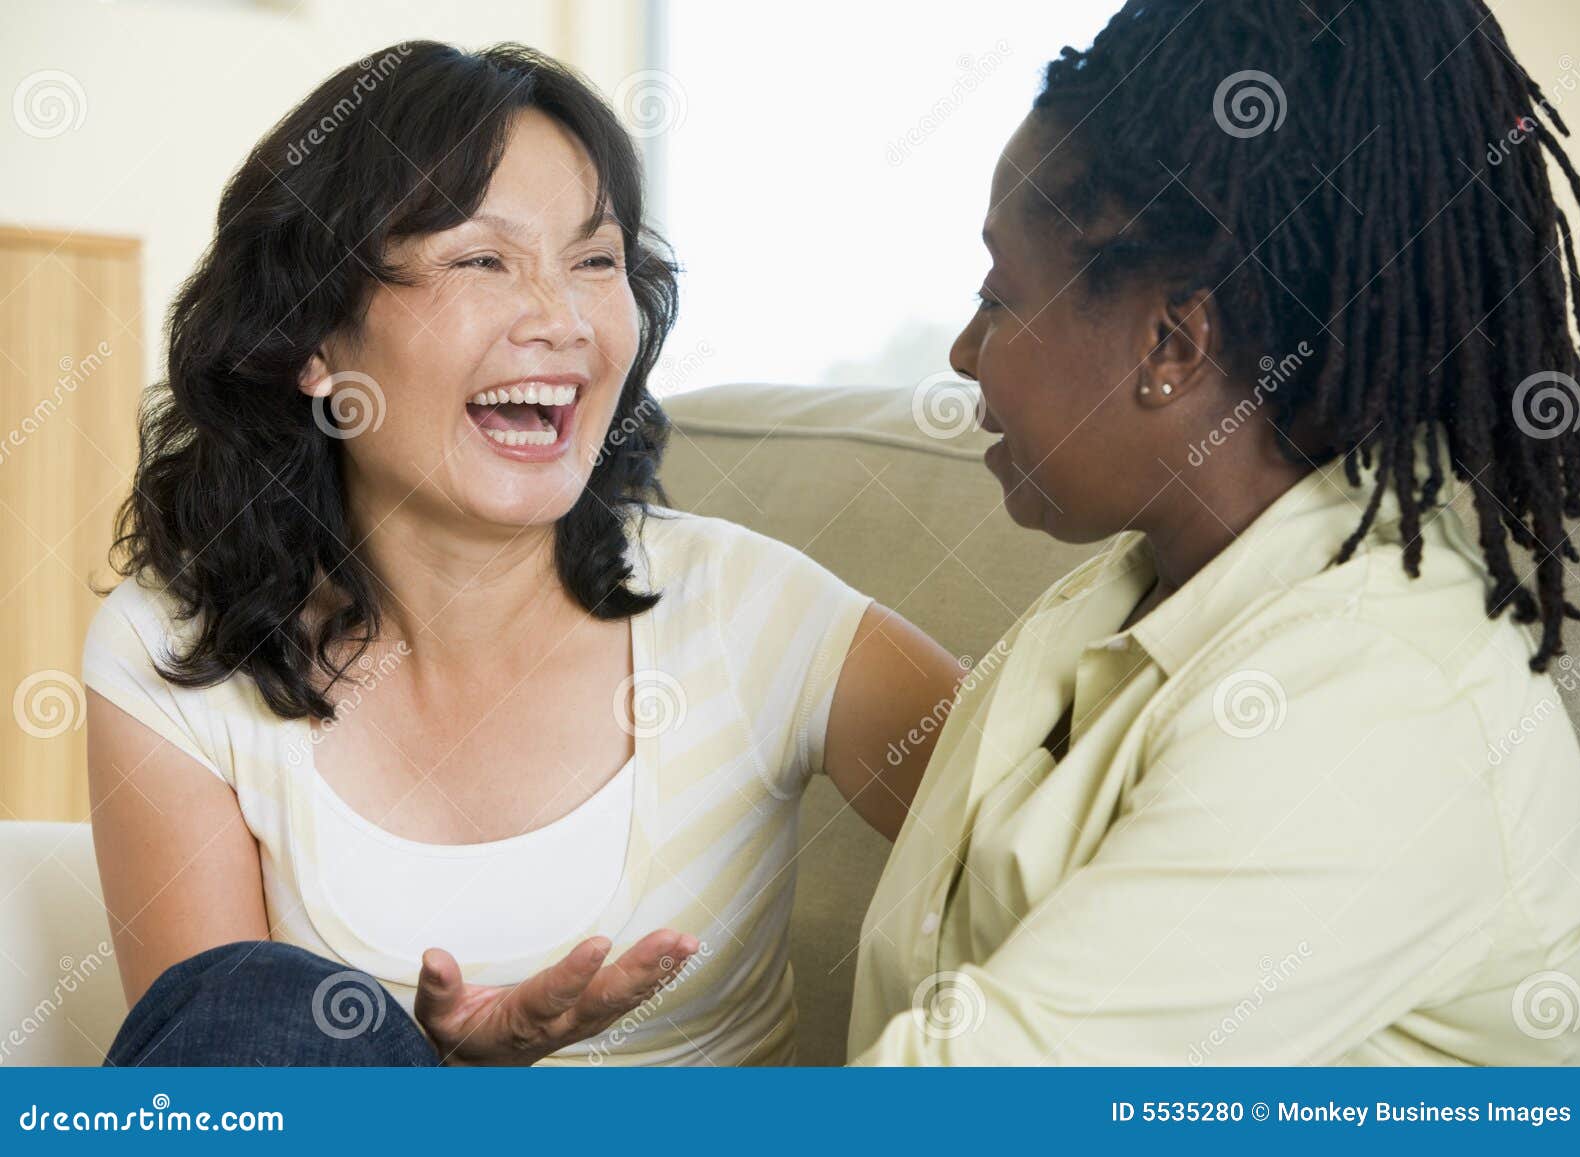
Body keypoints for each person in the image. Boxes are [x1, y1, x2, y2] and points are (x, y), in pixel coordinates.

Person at [84, 40, 961, 1067]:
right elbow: (223, 1063)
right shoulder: (171, 654)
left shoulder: (751, 607)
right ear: (312, 338)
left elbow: (1064, 848)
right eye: (481, 259)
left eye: (595, 262)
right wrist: (445, 1071)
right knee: (264, 1000)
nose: (561, 319)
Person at [848, 0, 1580, 1065]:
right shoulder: (1141, 595)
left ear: (1171, 340)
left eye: (998, 295)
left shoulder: (1375, 694)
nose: (966, 352)